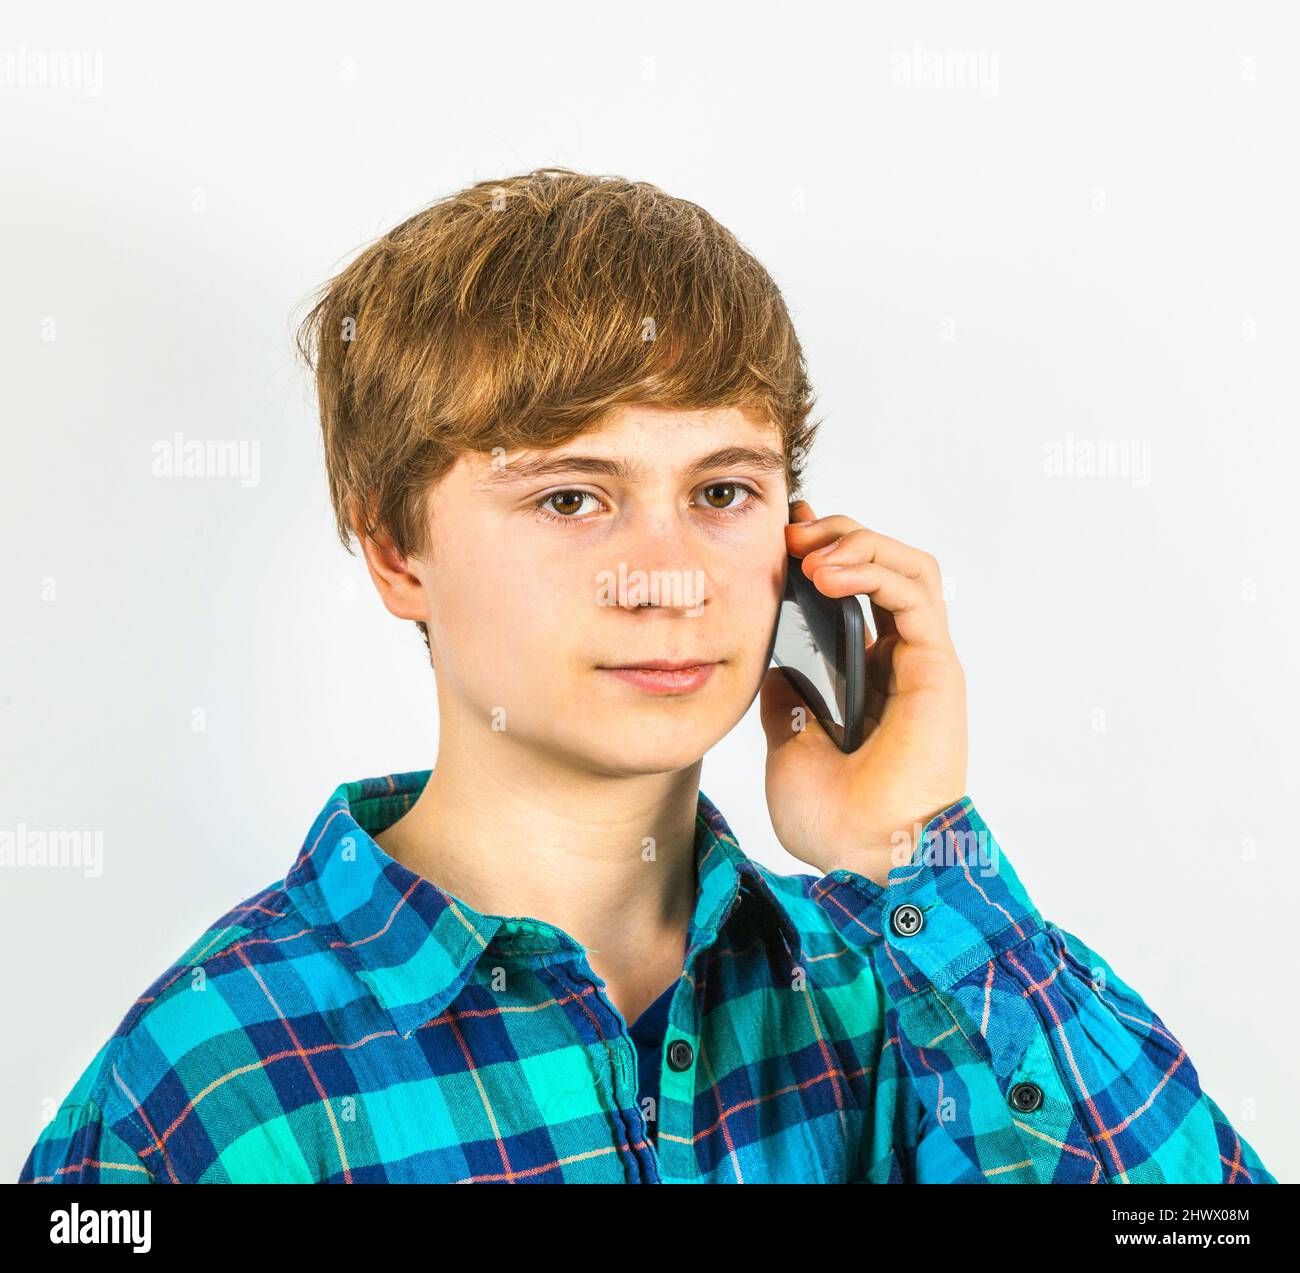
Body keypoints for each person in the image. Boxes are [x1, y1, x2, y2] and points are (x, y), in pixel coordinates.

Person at [19, 169, 1274, 1183]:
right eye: (572, 497)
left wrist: (908, 845)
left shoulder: (909, 988)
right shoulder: (212, 1081)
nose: (667, 577)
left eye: (721, 492)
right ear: (398, 551)